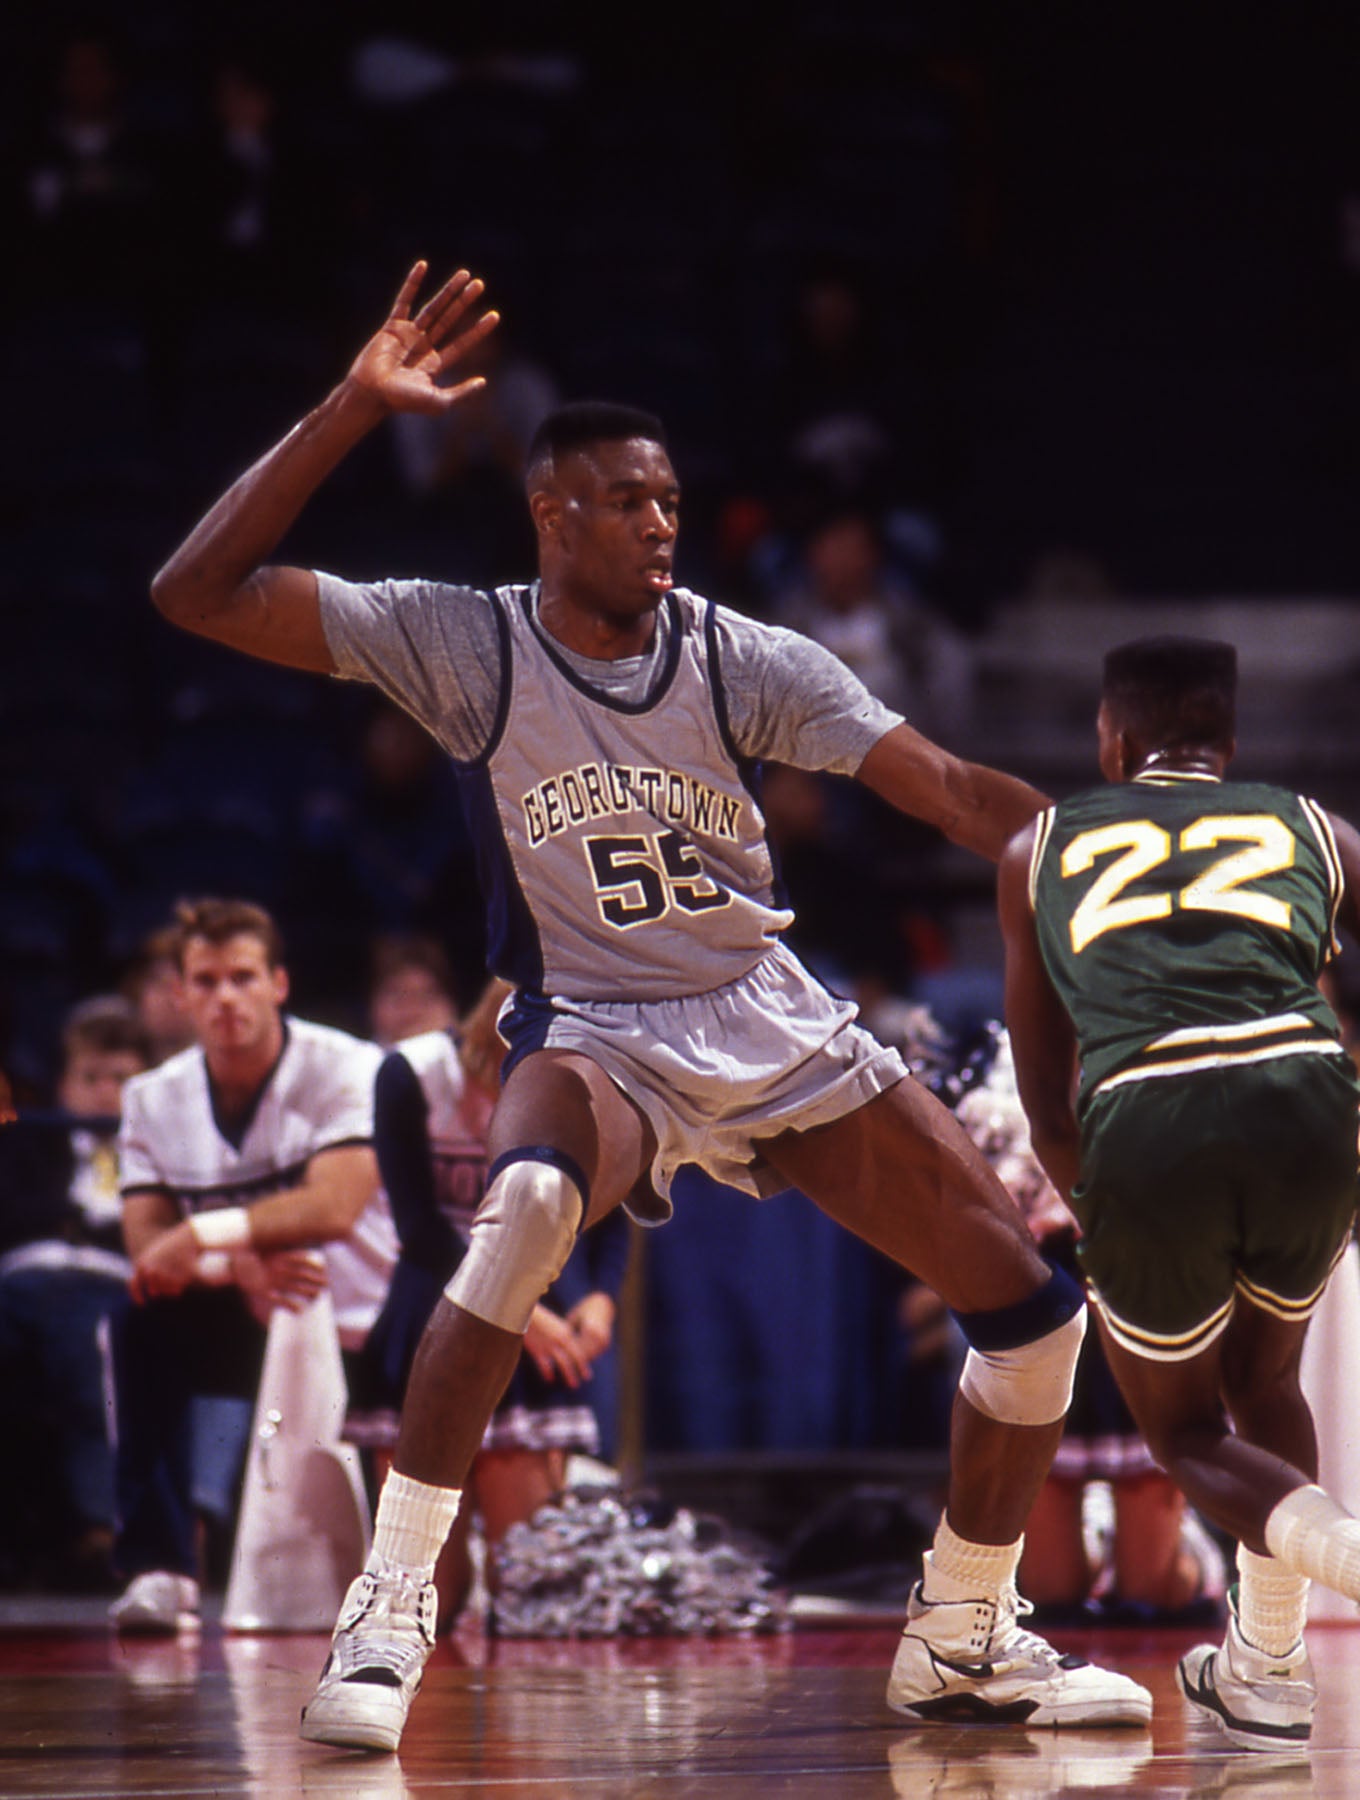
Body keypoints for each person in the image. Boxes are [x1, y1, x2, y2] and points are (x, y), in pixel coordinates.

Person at [147, 260, 1151, 1749]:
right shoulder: (464, 639)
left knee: (1036, 1314)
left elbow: (947, 790)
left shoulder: (740, 652)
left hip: (762, 1007)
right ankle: (389, 1611)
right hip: (593, 1025)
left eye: (672, 498)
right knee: (529, 1216)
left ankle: (959, 1631)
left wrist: (1109, 863)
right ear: (551, 512)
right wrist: (352, 409)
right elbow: (196, 593)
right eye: (629, 500)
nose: (663, 523)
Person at [997, 635, 1360, 1753]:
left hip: (1151, 1112)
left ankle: (1342, 1559)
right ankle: (1265, 1665)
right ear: (1230, 744)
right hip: (1310, 1100)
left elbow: (1045, 1099)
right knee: (1268, 1382)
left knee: (1186, 1432)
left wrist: (1099, 1206)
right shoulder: (1322, 829)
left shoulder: (1036, 846)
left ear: (1111, 741)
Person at [109, 897, 398, 1634]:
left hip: (359, 1319)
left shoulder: (348, 1066)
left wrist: (206, 1231)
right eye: (205, 982)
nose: (225, 998)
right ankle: (160, 1568)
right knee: (135, 1323)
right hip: (244, 1312)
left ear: (279, 984)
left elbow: (333, 1206)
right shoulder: (151, 1097)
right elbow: (149, 1251)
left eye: (242, 977)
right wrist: (235, 1267)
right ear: (179, 994)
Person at [356, 997, 630, 1628]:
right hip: (431, 1318)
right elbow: (419, 1229)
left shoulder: (587, 1071)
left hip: (539, 1336)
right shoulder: (413, 1073)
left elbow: (614, 1196)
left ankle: (526, 1731)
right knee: (425, 1596)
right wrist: (520, 1313)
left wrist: (600, 1295)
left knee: (527, 1590)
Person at [0, 995, 151, 1588]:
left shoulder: (156, 1152)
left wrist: (76, 1223)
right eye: (90, 1077)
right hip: (21, 1279)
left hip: (106, 1283)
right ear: (64, 1084)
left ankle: (99, 1531)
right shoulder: (28, 1140)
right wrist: (74, 1215)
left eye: (121, 1078)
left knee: (91, 1340)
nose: (104, 1093)